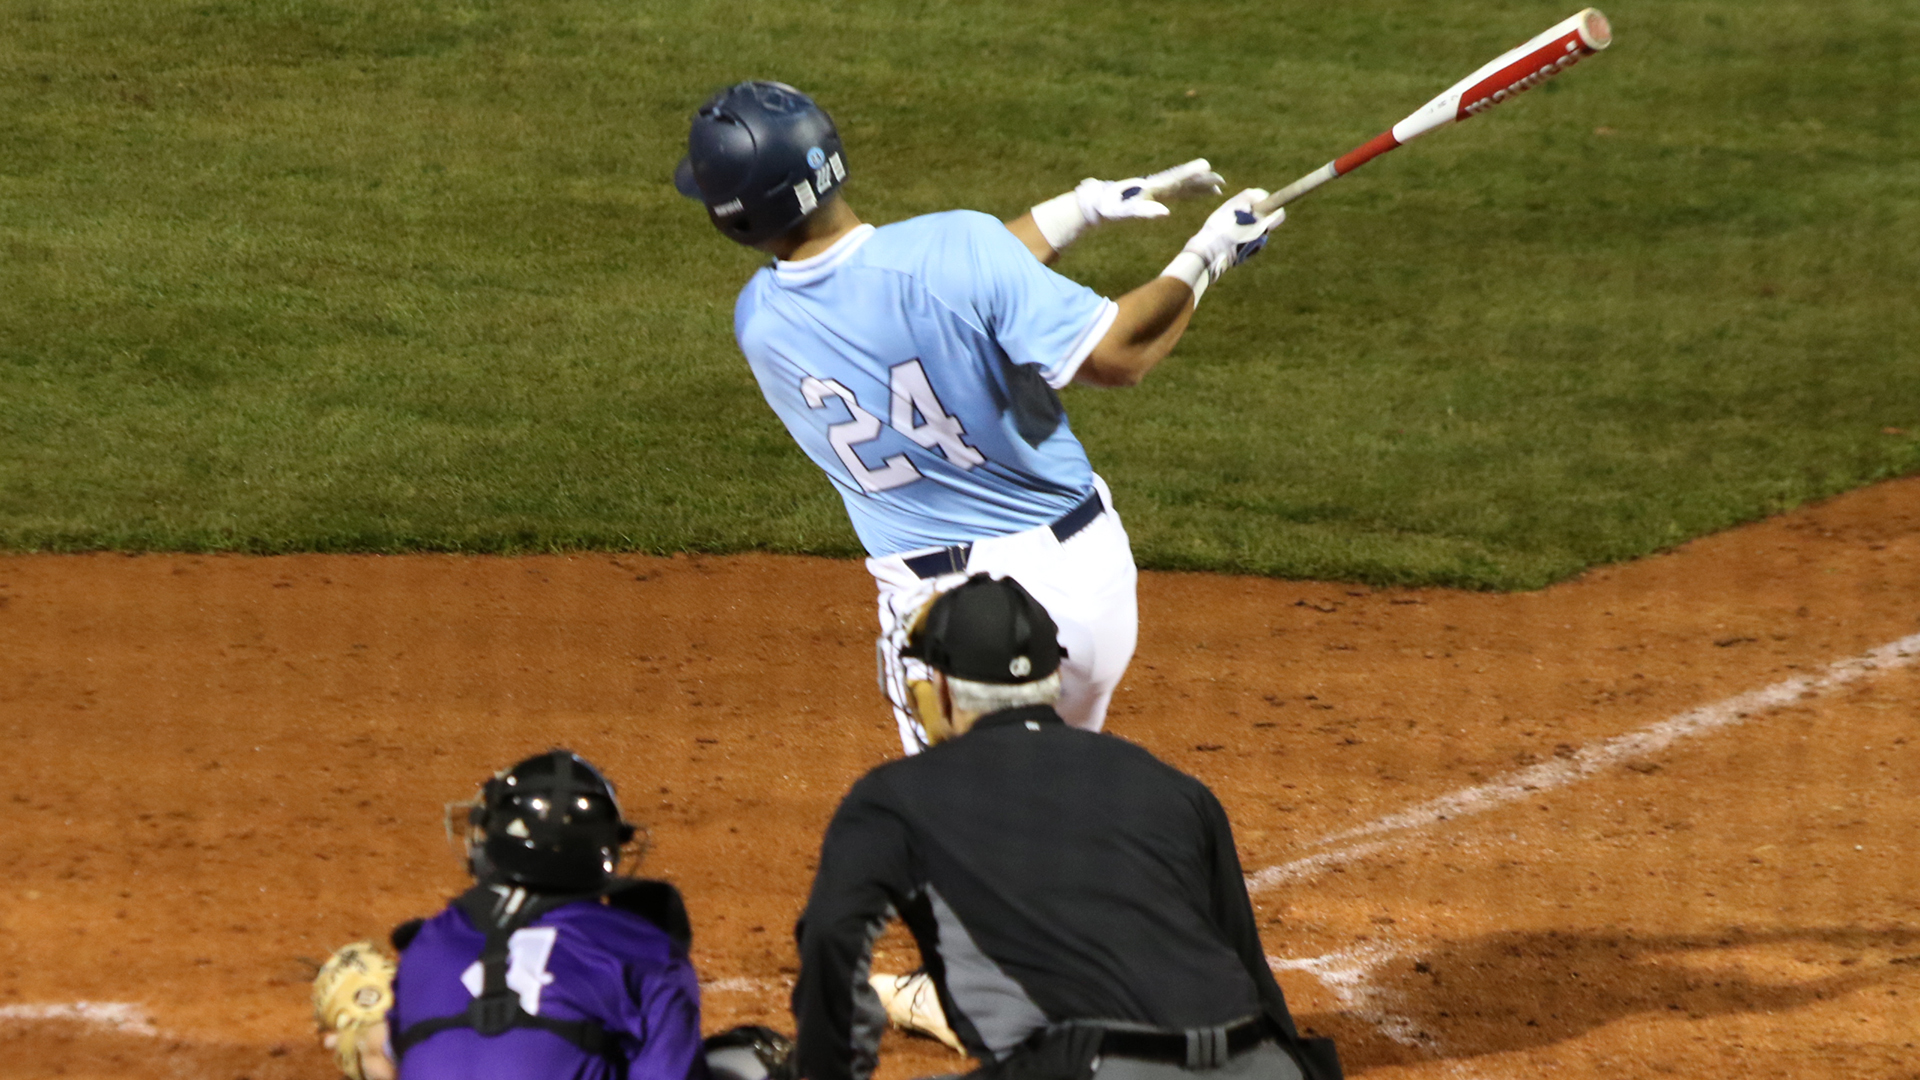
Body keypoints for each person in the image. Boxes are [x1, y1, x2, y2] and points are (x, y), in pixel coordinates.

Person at [673, 80, 1288, 754]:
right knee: (1062, 788)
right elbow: (1114, 354)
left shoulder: (759, 321)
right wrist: (1206, 256)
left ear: (734, 214)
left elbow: (940, 283)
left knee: (964, 823)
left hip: (948, 626)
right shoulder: (957, 248)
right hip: (1087, 589)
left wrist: (1078, 212)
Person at [789, 575, 1342, 1080]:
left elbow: (833, 937)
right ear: (1053, 679)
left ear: (946, 689)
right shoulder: (1173, 787)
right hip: (1265, 1065)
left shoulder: (895, 795)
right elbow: (1253, 976)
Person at [310, 750, 708, 1080]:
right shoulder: (648, 951)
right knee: (749, 1061)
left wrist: (363, 1035)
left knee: (402, 1042)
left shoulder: (428, 944)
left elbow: (387, 1056)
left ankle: (356, 1030)